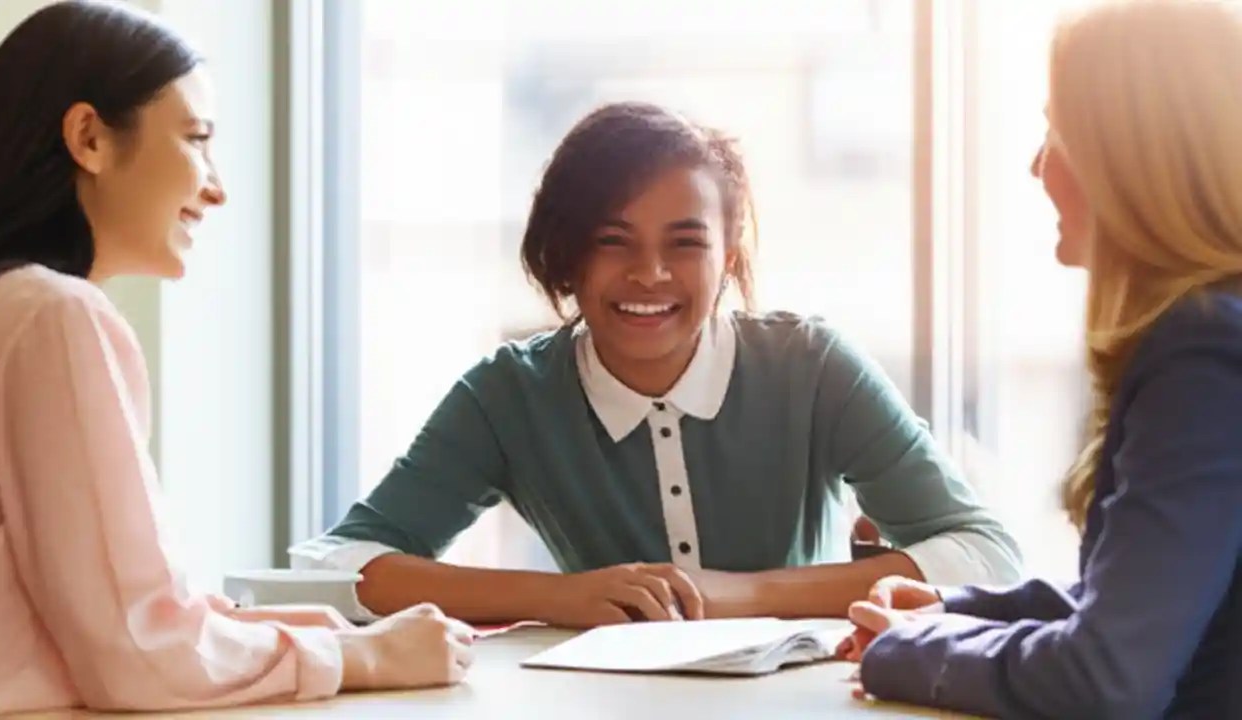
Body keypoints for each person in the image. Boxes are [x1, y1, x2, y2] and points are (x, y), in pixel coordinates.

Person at [291, 101, 1022, 628]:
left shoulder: (812, 366)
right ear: (565, 256)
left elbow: (987, 556)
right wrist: (556, 597)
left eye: (685, 243)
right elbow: (329, 570)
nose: (649, 274)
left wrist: (743, 593)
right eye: (613, 240)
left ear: (728, 255)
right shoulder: (508, 395)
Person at [0, 2, 471, 716]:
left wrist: (320, 631)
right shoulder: (52, 316)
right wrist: (368, 654)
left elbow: (97, 626)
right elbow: (138, 652)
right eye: (197, 139)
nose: (216, 185)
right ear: (89, 138)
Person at [843, 1, 1242, 717]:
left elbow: (1105, 678)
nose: (1037, 165)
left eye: (1058, 133)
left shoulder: (1202, 355)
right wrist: (955, 608)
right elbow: (1153, 597)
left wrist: (910, 651)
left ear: (1131, 158)